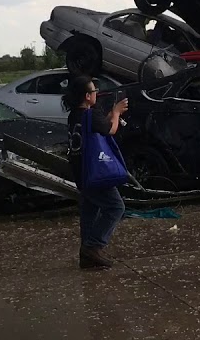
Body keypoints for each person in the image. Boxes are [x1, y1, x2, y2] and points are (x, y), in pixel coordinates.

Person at [64, 76, 129, 270]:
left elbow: (98, 127)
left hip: (81, 171)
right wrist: (116, 113)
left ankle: (87, 255)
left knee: (90, 210)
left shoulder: (75, 115)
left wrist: (111, 115)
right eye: (94, 91)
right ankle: (93, 246)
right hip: (96, 171)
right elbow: (110, 129)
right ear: (87, 96)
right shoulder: (90, 115)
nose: (96, 94)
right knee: (116, 207)